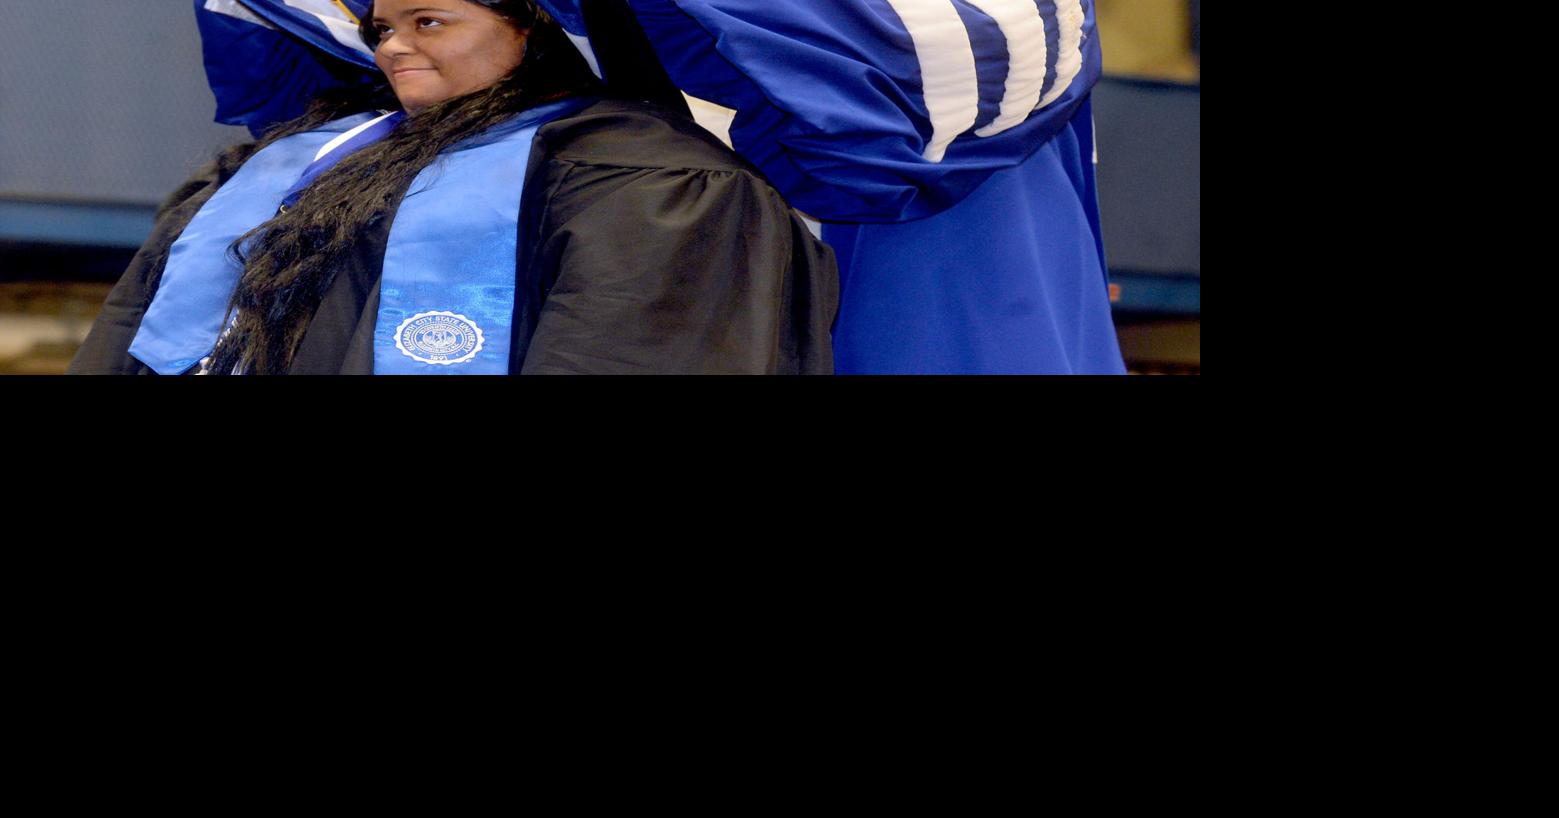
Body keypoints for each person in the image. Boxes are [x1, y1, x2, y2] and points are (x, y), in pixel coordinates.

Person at [69, 0, 836, 375]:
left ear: (532, 26)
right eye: (381, 29)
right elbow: (129, 342)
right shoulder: (277, 169)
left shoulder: (641, 180)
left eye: (429, 21)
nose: (394, 46)